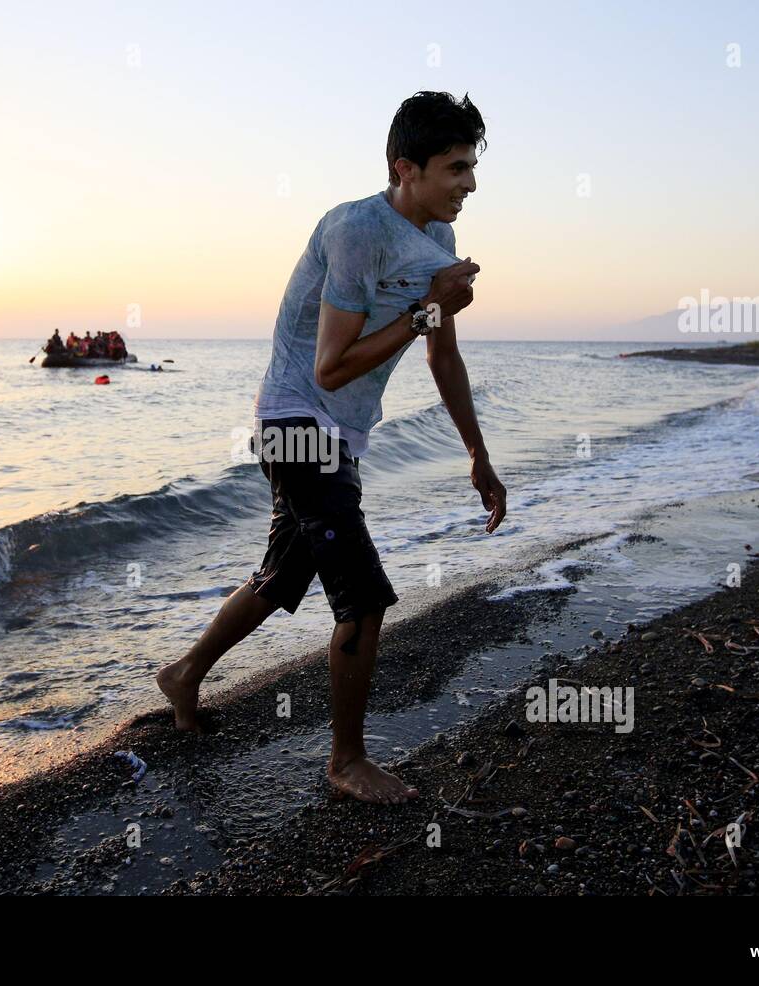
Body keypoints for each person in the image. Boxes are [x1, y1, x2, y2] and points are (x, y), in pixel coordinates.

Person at [158, 92, 505, 805]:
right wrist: (429, 308)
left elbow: (443, 357)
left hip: (338, 433)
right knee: (363, 594)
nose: (470, 183)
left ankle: (186, 673)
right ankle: (346, 761)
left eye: (472, 167)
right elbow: (331, 366)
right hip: (295, 421)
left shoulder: (436, 244)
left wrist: (477, 452)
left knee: (284, 577)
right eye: (457, 168)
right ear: (405, 168)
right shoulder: (356, 230)